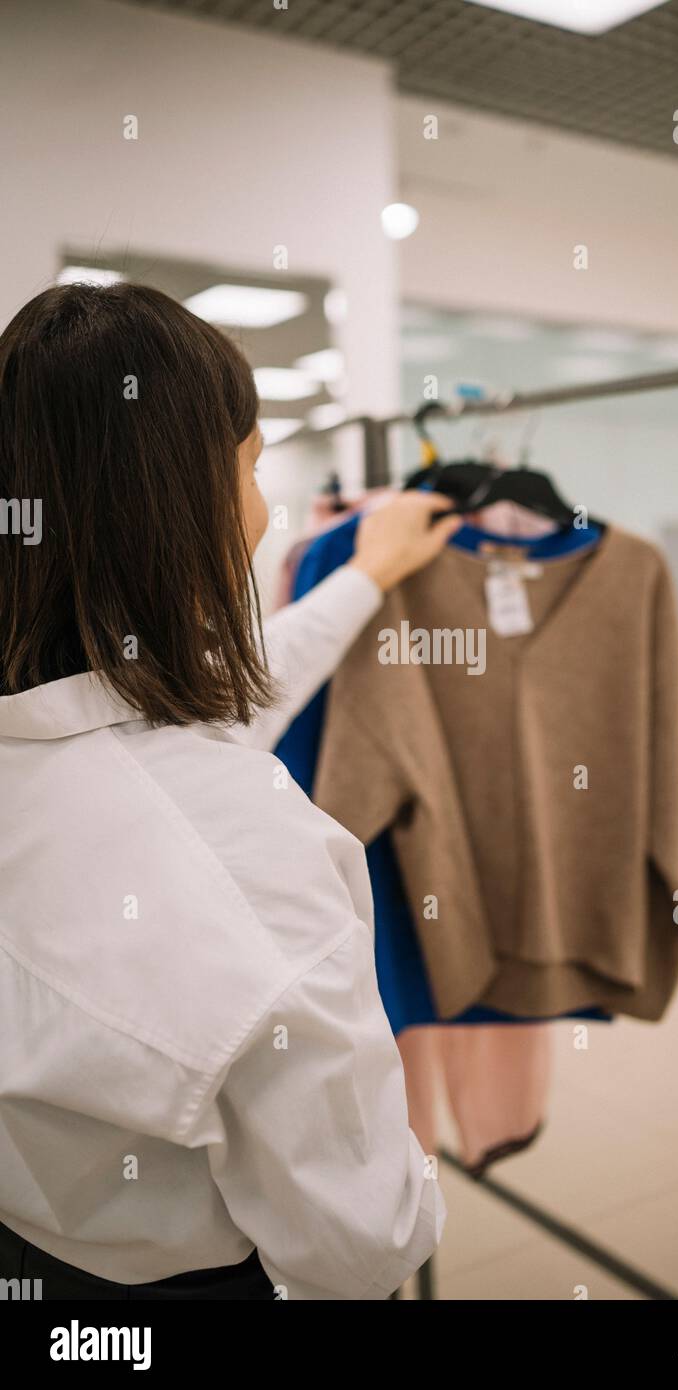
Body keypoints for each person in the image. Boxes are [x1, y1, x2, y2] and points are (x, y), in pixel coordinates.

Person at [0, 282, 460, 1300]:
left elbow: (201, 719)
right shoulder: (247, 858)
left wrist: (364, 577)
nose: (264, 512)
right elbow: (363, 1241)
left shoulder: (61, 747)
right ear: (181, 502)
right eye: (251, 469)